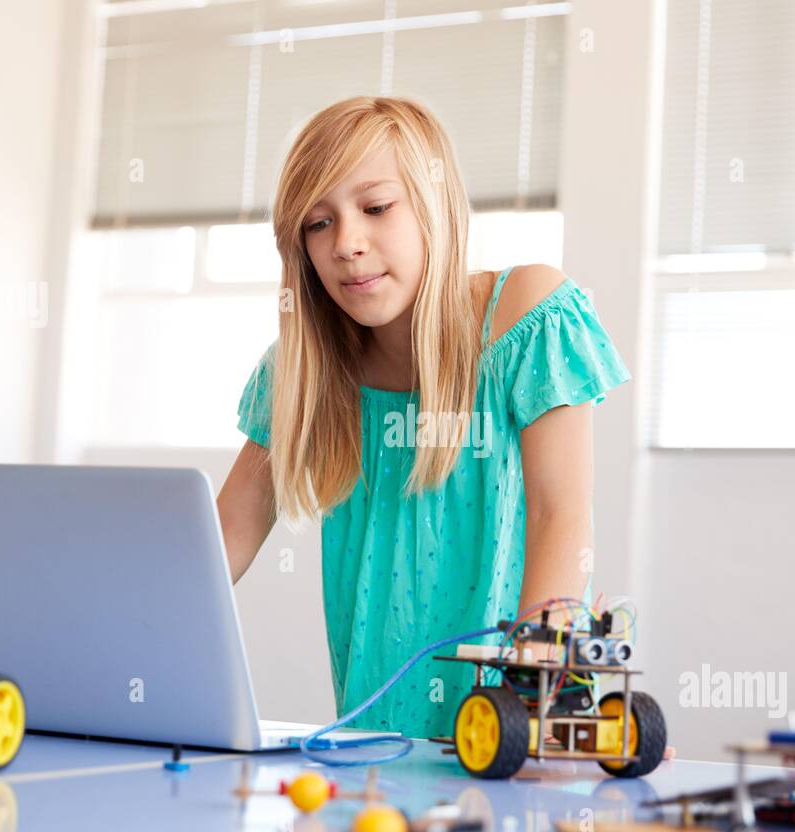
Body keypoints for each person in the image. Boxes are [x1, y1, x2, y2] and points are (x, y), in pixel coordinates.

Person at [216, 95, 646, 746]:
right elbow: (222, 538)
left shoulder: (528, 316)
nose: (347, 245)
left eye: (376, 207)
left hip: (504, 730)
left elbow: (563, 517)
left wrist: (529, 701)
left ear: (433, 206)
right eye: (318, 223)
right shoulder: (302, 373)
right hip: (374, 741)